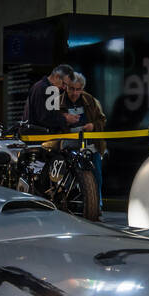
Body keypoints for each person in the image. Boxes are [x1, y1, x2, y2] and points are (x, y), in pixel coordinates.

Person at [62, 72, 107, 207]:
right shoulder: (58, 102)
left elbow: (102, 119)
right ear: (66, 87)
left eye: (78, 89)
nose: (75, 93)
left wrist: (93, 126)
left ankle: (96, 206)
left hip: (91, 145)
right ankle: (67, 204)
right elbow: (51, 123)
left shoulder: (90, 100)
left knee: (96, 176)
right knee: (68, 178)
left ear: (82, 89)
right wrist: (65, 120)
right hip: (68, 147)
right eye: (71, 89)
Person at [23, 63, 80, 132]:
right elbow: (44, 118)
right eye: (64, 83)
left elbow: (50, 115)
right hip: (37, 138)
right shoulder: (43, 89)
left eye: (66, 85)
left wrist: (63, 116)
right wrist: (66, 119)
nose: (64, 88)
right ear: (56, 77)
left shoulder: (46, 88)